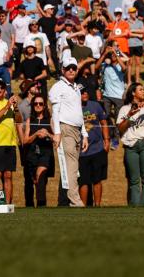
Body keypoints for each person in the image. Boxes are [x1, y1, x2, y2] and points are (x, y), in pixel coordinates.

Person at [48, 58, 88, 207]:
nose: (71, 70)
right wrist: (57, 133)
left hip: (76, 130)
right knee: (71, 165)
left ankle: (68, 201)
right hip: (65, 128)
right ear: (63, 70)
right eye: (68, 68)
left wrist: (84, 134)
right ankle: (75, 200)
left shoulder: (76, 88)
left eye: (74, 68)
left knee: (73, 166)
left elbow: (79, 113)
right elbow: (55, 111)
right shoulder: (58, 87)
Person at [117, 83, 144, 206]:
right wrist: (130, 115)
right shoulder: (124, 109)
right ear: (133, 93)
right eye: (140, 89)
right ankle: (135, 208)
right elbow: (120, 128)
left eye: (143, 89)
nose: (143, 91)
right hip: (131, 146)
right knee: (134, 180)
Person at [0, 78, 21, 204]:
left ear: (5, 90)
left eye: (2, 87)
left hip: (10, 144)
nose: (0, 89)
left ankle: (7, 204)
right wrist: (7, 106)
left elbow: (19, 120)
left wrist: (15, 108)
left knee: (8, 175)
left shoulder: (9, 103)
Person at [21, 93, 54, 207]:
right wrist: (35, 134)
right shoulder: (30, 120)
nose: (38, 106)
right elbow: (25, 140)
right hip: (32, 153)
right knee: (35, 181)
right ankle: (32, 205)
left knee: (40, 175)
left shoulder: (50, 120)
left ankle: (41, 204)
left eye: (41, 104)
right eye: (35, 104)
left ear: (44, 106)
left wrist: (48, 134)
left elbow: (57, 138)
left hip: (46, 152)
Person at [79, 84, 109, 206]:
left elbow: (104, 122)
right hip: (82, 151)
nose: (85, 94)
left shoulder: (95, 105)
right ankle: (83, 208)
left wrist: (107, 140)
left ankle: (97, 206)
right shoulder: (73, 108)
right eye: (82, 92)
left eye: (86, 91)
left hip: (97, 149)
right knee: (83, 181)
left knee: (97, 180)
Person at [126, 7, 144, 84]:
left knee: (137, 63)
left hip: (138, 44)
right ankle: (129, 81)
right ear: (129, 14)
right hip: (129, 44)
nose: (134, 13)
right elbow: (127, 33)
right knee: (129, 63)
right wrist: (138, 35)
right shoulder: (126, 22)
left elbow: (143, 31)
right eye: (132, 12)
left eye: (135, 12)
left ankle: (137, 80)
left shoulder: (140, 22)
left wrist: (133, 31)